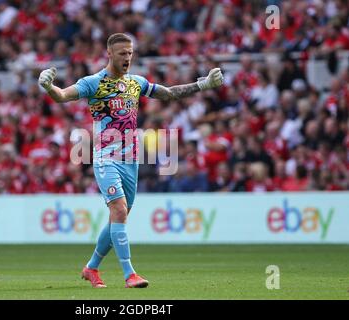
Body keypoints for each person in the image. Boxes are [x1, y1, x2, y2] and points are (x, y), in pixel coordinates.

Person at [38, 33, 224, 288]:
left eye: (130, 53)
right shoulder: (93, 83)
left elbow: (168, 94)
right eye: (122, 53)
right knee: (119, 210)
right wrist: (49, 86)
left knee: (119, 216)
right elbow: (62, 95)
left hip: (131, 160)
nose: (127, 58)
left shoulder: (136, 82)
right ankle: (130, 274)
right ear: (110, 54)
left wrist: (202, 85)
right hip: (106, 157)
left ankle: (91, 268)